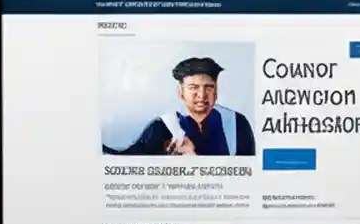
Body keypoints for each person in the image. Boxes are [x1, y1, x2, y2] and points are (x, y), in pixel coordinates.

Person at [104, 57, 256, 156]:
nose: (202, 95)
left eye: (208, 87)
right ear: (181, 92)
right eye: (193, 87)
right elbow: (125, 160)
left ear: (216, 90)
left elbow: (249, 172)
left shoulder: (237, 124)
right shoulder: (162, 127)